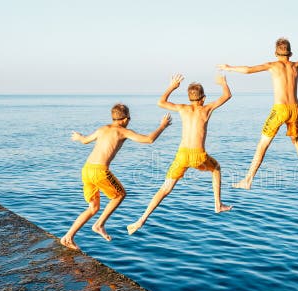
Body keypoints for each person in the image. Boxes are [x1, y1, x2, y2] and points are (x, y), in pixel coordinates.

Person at [218, 37, 298, 189]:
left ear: (276, 53)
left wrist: (229, 67)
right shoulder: (296, 65)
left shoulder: (272, 65)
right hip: (294, 109)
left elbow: (248, 70)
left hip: (280, 109)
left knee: (262, 145)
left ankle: (248, 180)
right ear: (290, 53)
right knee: (296, 140)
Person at [127, 74, 233, 235]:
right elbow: (227, 95)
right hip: (199, 155)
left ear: (189, 98)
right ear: (203, 98)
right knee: (216, 168)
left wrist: (172, 86)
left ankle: (140, 220)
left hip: (182, 155)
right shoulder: (206, 108)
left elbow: (160, 102)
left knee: (164, 189)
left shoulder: (182, 108)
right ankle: (218, 204)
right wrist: (223, 83)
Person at [61, 104, 171, 250]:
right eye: (129, 118)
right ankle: (99, 224)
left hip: (86, 169)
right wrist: (162, 126)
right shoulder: (123, 131)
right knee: (120, 195)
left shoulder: (102, 129)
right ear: (125, 119)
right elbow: (149, 139)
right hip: (99, 171)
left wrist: (79, 136)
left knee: (93, 207)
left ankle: (68, 237)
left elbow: (85, 140)